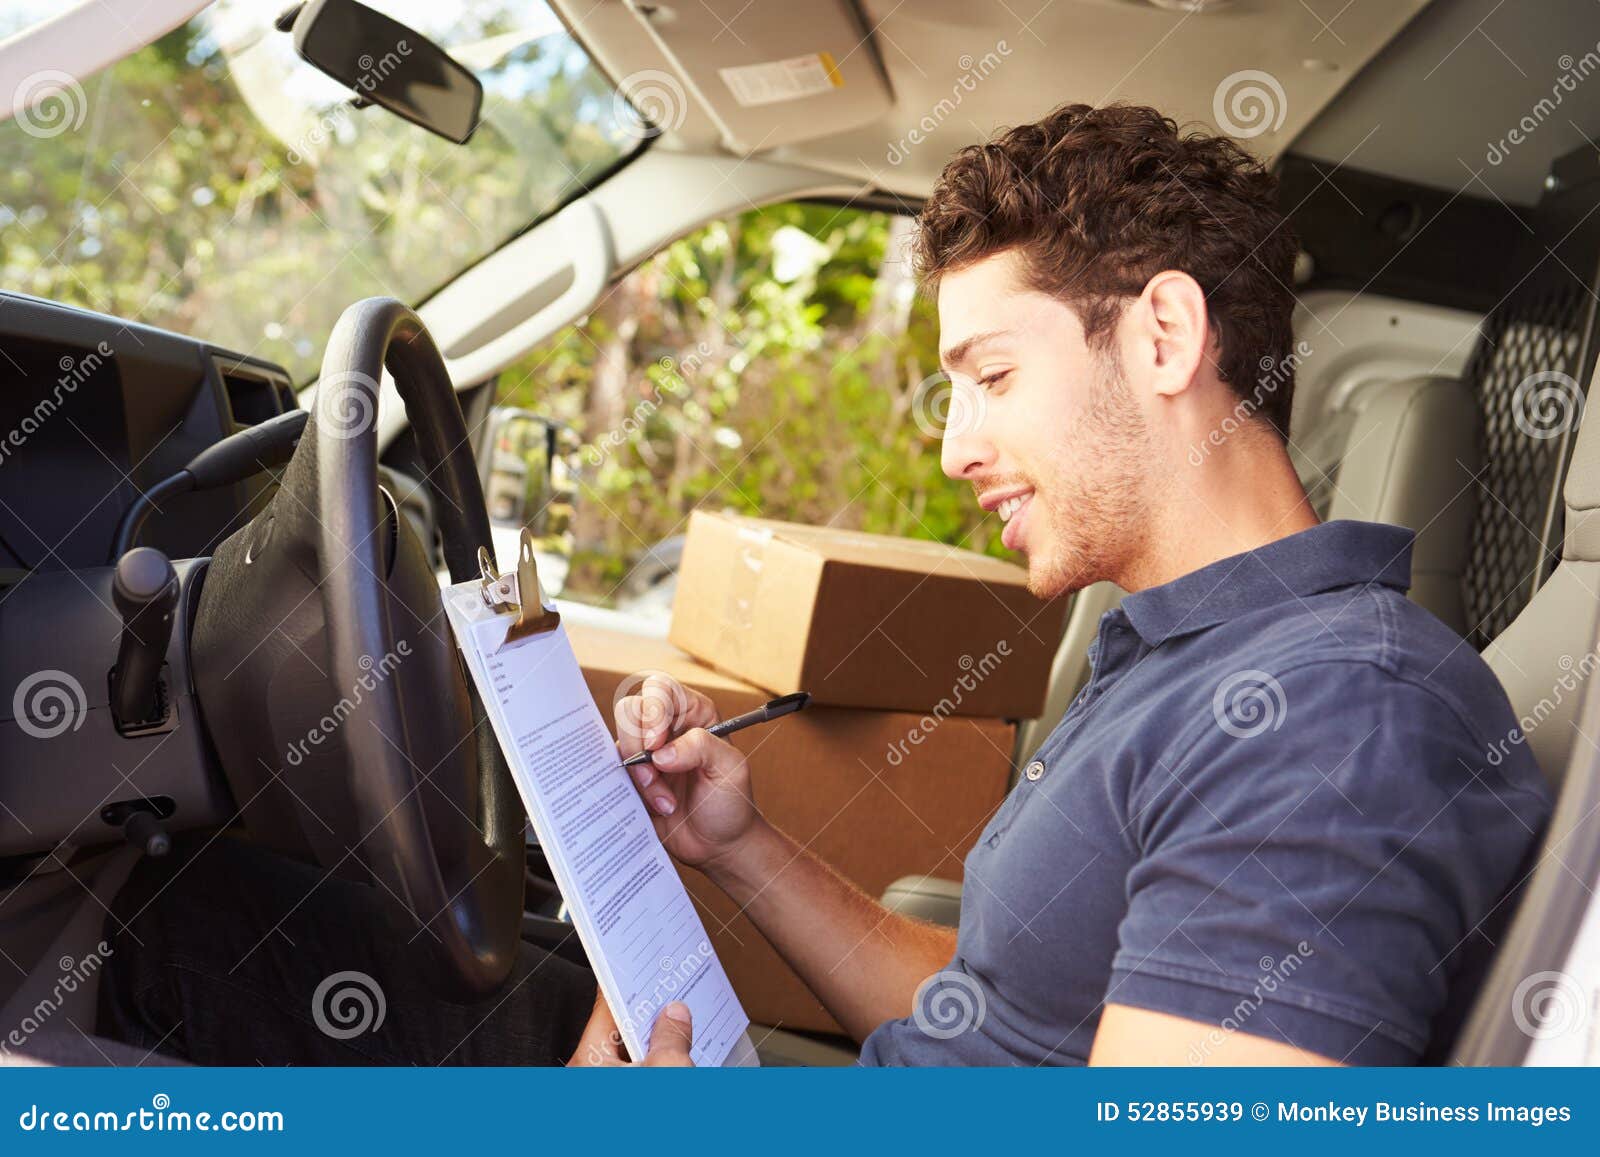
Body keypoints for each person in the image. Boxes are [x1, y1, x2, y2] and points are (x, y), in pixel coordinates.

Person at [98, 102, 1550, 1066]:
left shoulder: (1330, 718)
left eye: (989, 375)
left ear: (1165, 335)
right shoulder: (1171, 652)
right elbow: (1006, 1018)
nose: (959, 444)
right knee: (214, 920)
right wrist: (738, 847)